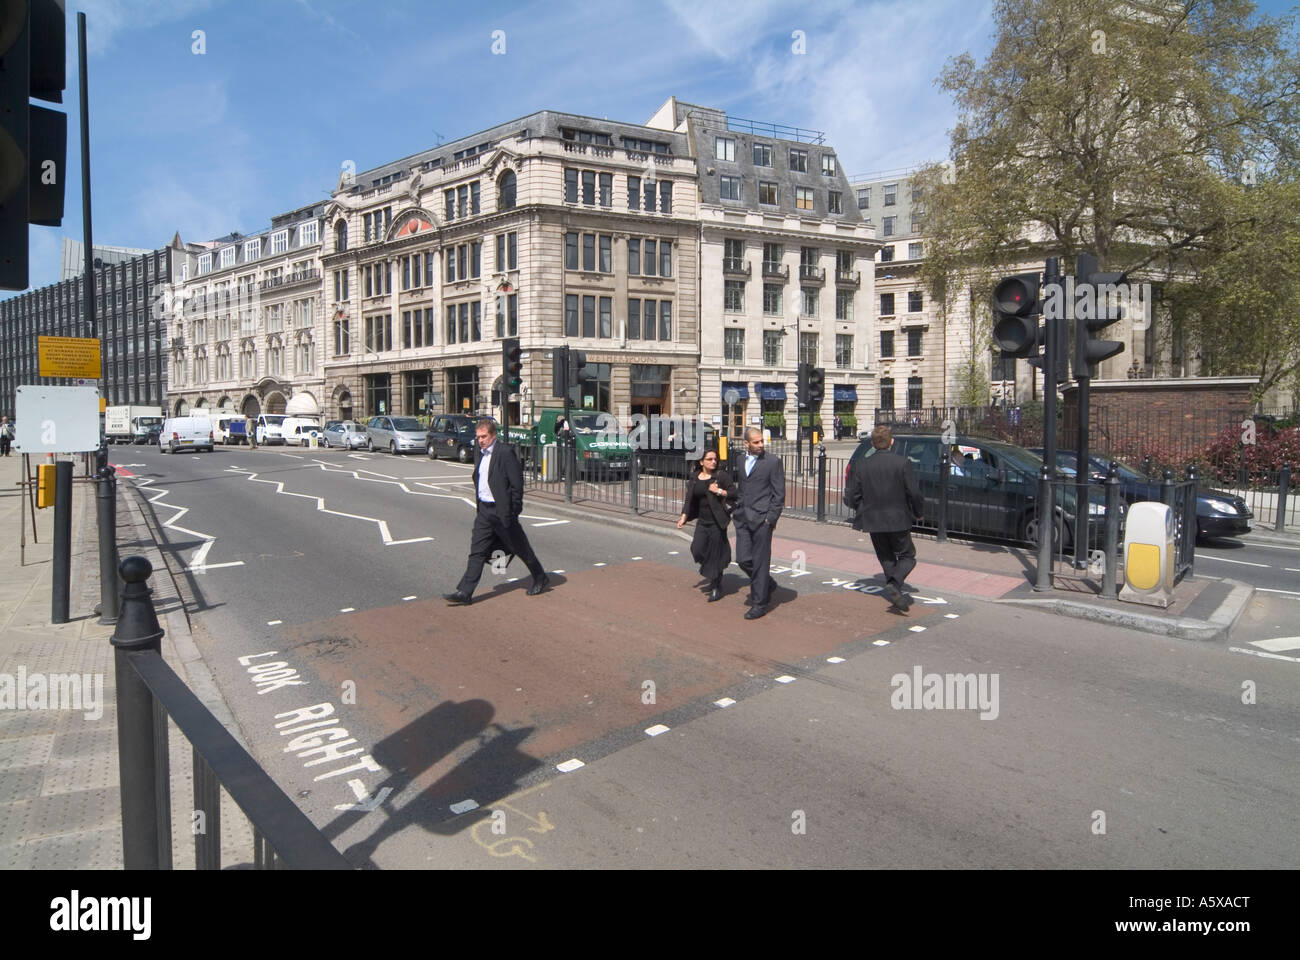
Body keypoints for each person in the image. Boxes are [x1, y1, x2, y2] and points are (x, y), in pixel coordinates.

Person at [445, 419, 550, 605]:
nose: (480, 441)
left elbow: (517, 485)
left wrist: (513, 511)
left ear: (493, 435)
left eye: (484, 436)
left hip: (502, 511)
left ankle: (540, 576)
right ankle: (465, 592)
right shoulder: (479, 451)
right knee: (476, 551)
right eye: (478, 437)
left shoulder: (505, 452)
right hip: (484, 510)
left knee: (520, 548)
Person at [845, 425, 924, 612]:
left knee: (886, 556)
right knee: (908, 556)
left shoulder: (862, 464)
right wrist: (918, 511)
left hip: (873, 518)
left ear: (872, 443)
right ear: (892, 442)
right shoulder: (902, 463)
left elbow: (851, 496)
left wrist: (863, 508)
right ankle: (895, 584)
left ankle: (894, 588)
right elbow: (914, 492)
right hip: (898, 518)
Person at [732, 426, 785, 619]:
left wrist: (770, 519)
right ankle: (767, 583)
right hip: (743, 518)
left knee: (761, 562)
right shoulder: (739, 459)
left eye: (761, 441)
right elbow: (743, 487)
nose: (760, 444)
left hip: (762, 519)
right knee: (743, 559)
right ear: (746, 444)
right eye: (756, 442)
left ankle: (759, 603)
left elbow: (779, 495)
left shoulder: (773, 462)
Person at [676, 449, 737, 602]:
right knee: (697, 549)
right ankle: (715, 568)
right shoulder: (695, 477)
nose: (713, 462)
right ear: (701, 462)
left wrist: (720, 491)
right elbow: (689, 499)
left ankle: (716, 585)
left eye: (715, 459)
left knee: (715, 554)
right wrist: (684, 516)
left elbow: (734, 493)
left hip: (717, 521)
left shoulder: (721, 476)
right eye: (709, 459)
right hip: (702, 521)